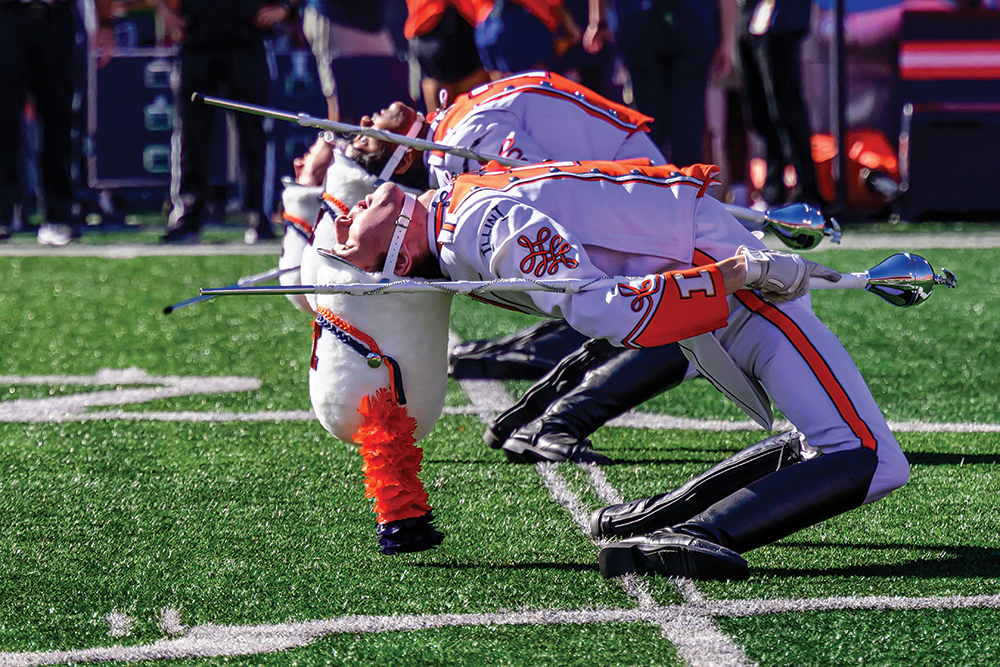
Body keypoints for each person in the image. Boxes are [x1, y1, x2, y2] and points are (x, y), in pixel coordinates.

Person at [321, 158, 909, 580]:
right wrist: (743, 270)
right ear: (397, 254)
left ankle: (656, 518)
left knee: (832, 441)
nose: (348, 214)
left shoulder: (451, 211)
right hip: (729, 291)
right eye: (347, 237)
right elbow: (611, 309)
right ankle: (695, 535)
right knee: (870, 457)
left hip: (713, 279)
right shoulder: (476, 228)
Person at [157, 0, 292, 244]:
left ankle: (257, 213)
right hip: (196, 38)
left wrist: (286, 7)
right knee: (191, 133)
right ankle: (188, 213)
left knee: (254, 132)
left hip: (247, 38)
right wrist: (163, 9)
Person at [0, 0, 116, 245]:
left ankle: (58, 215)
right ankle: (2, 215)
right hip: (7, 15)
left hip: (55, 16)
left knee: (58, 119)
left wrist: (105, 22)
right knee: (3, 119)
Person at [583, 0, 722, 165]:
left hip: (643, 21)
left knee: (651, 121)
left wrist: (597, 20)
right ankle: (686, 185)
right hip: (689, 20)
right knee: (684, 120)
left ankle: (656, 183)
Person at [737, 0, 823, 208]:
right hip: (750, 15)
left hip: (780, 16)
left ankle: (806, 193)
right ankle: (773, 191)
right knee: (759, 111)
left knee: (785, 109)